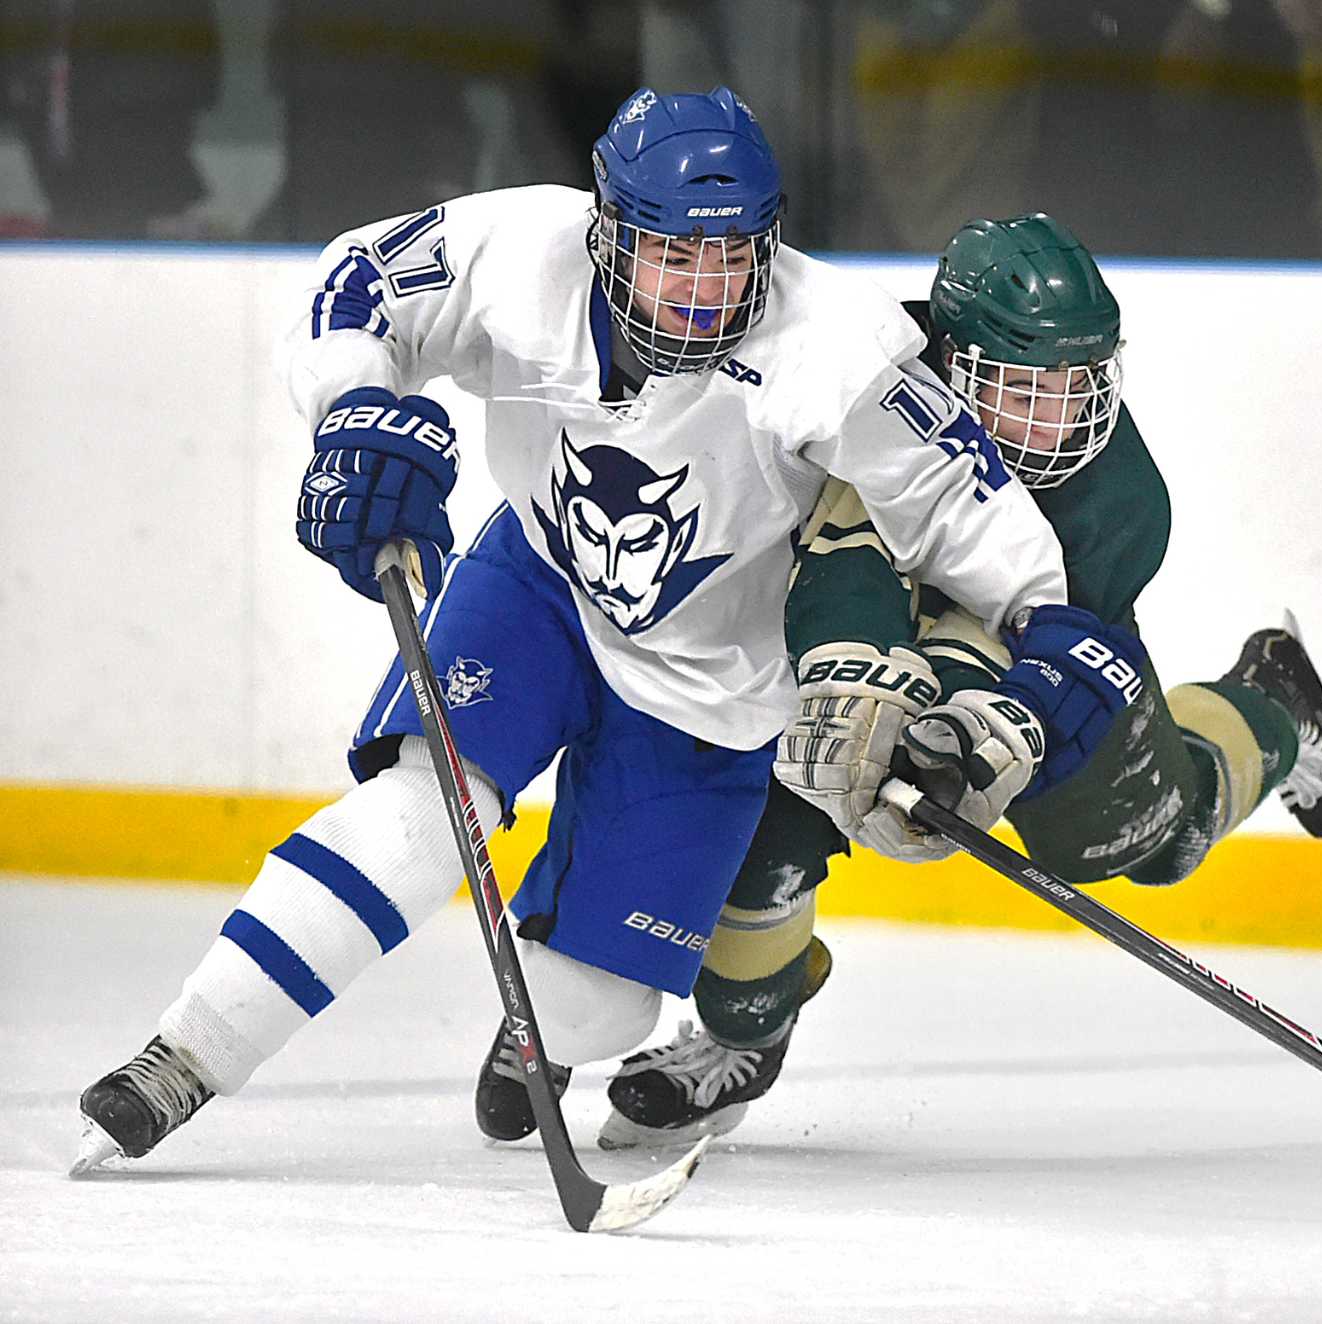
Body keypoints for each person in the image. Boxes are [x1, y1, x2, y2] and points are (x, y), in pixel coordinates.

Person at [71, 89, 1145, 1174]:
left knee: (590, 1011)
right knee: (421, 813)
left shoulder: (836, 348)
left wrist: (1047, 654)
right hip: (536, 583)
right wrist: (353, 408)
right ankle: (184, 1056)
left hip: (717, 689)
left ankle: (556, 991)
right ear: (609, 234)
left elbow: (980, 523)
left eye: (732, 261)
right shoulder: (520, 254)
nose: (704, 291)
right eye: (674, 258)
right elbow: (356, 281)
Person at [475, 212, 1322, 1151]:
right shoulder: (867, 378)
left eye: (1073, 389)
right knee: (760, 820)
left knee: (1152, 842)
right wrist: (850, 678)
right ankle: (731, 1026)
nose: (1052, 421)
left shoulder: (1119, 504)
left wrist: (969, 735)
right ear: (951, 359)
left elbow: (1034, 650)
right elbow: (835, 545)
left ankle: (1274, 706)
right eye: (1021, 389)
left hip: (1032, 661)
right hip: (812, 637)